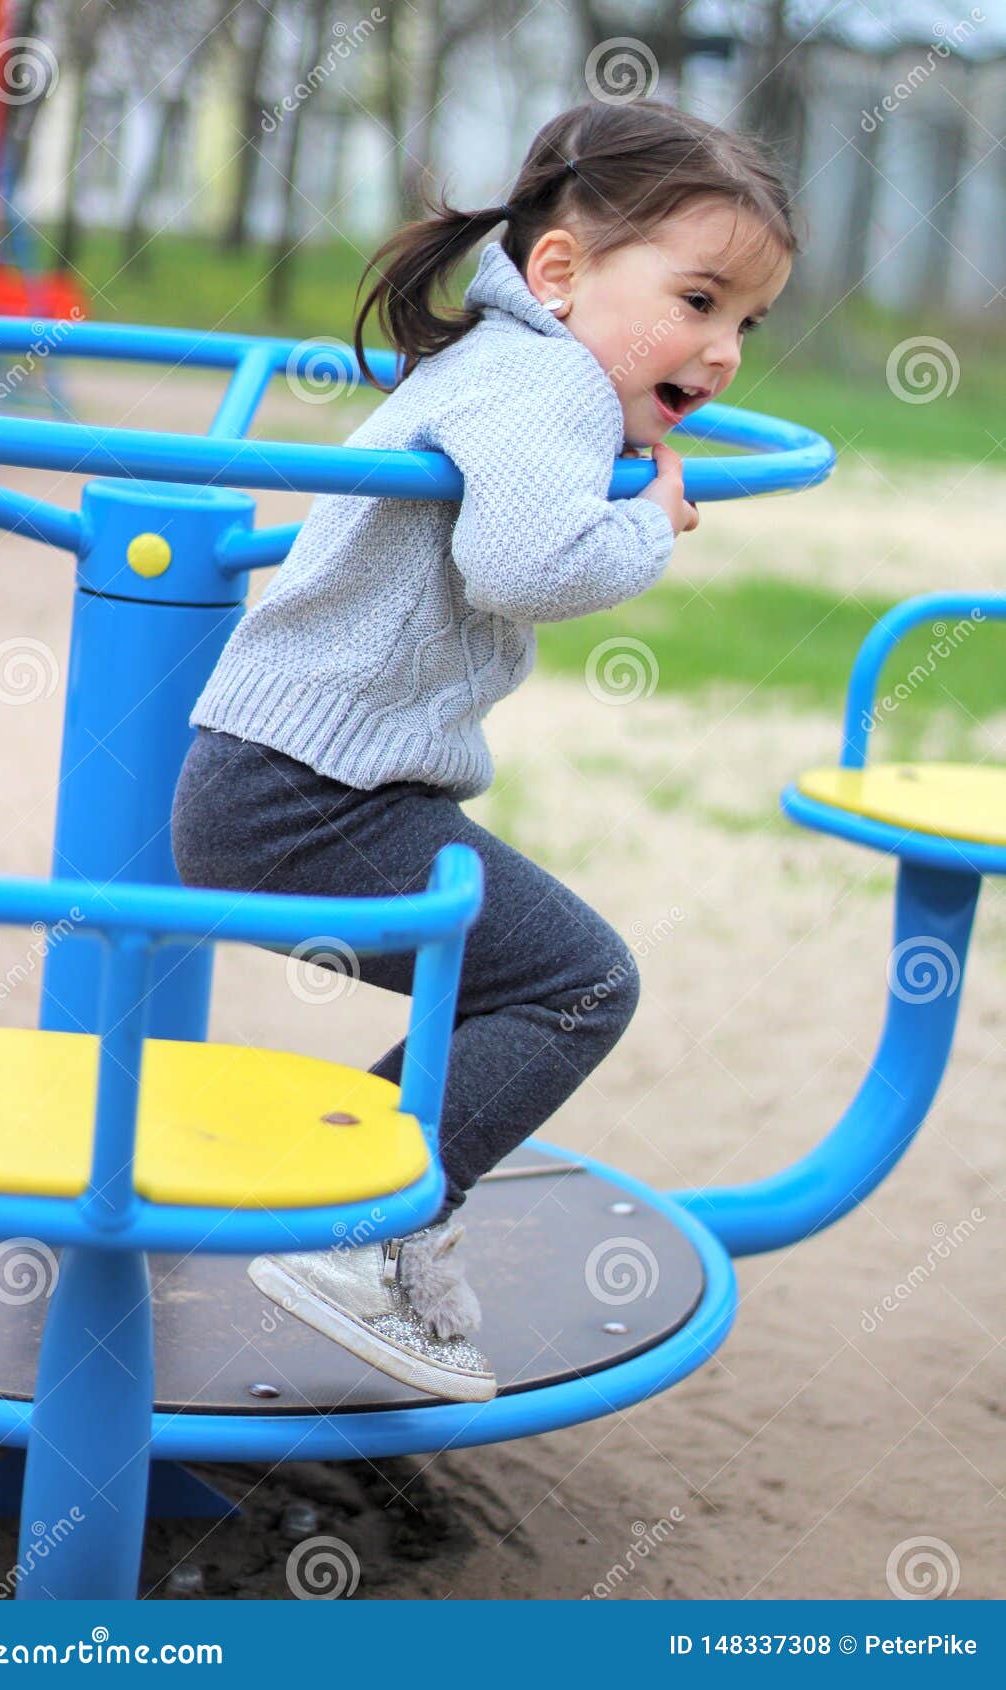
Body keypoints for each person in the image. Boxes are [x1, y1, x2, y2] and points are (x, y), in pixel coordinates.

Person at [170, 96, 798, 1405]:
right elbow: (523, 560)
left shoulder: (510, 366)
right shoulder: (546, 377)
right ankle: (370, 1224)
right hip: (314, 799)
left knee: (526, 976)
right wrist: (653, 523)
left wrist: (625, 441)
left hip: (284, 780)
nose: (725, 349)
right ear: (559, 272)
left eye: (747, 319)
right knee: (576, 982)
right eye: (696, 300)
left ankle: (360, 1200)